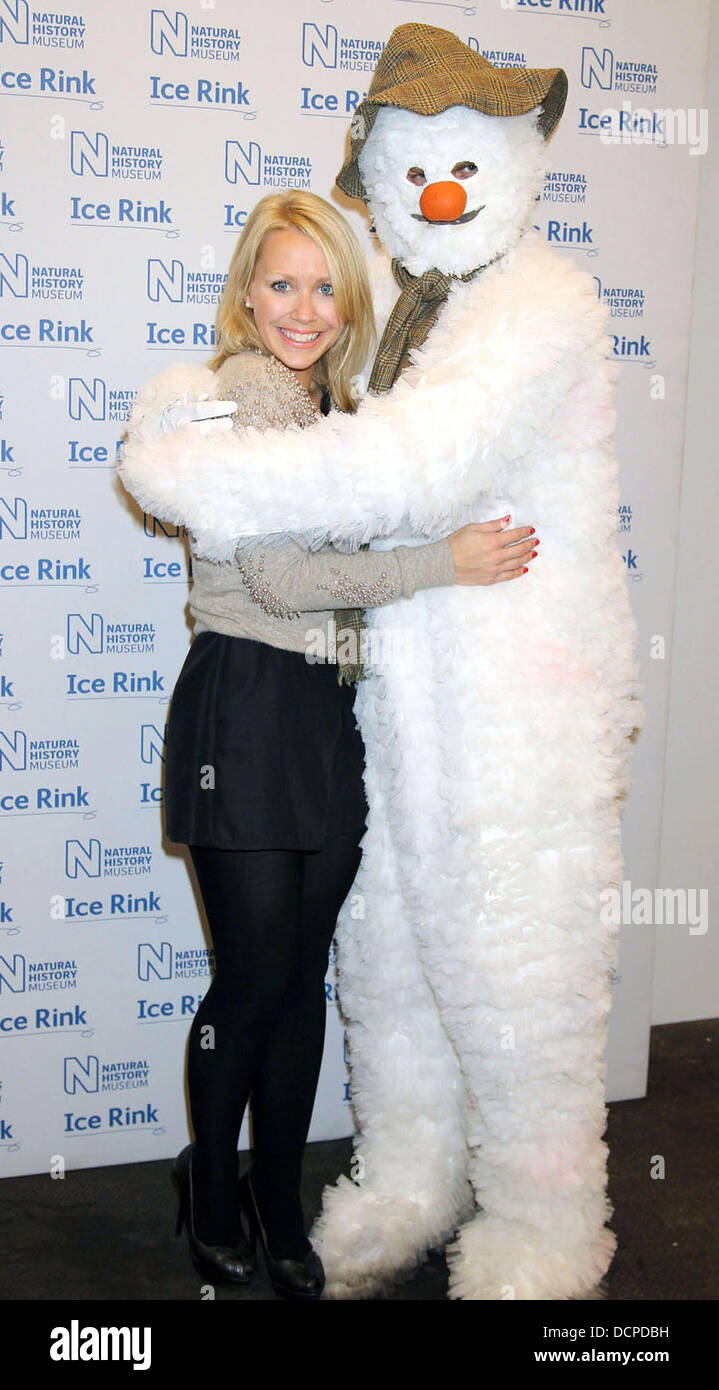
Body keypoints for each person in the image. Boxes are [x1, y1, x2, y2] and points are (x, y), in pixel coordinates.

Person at [121, 189, 540, 1300]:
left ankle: (272, 1196)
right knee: (252, 978)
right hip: (244, 706)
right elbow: (279, 579)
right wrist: (438, 562)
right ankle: (209, 1194)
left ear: (346, 300)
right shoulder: (231, 401)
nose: (301, 309)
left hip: (322, 710)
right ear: (245, 293)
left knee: (297, 979)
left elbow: (348, 579)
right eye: (280, 283)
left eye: (321, 286)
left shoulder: (339, 416)